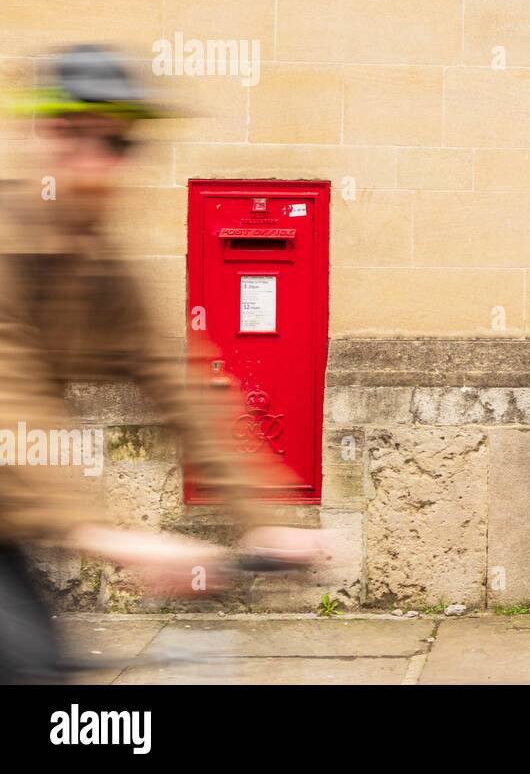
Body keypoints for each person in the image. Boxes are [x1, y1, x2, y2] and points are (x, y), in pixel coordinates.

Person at [0, 45, 329, 683]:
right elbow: (13, 402)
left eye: (122, 145)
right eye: (91, 140)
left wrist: (264, 523)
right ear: (52, 136)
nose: (106, 164)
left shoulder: (98, 263)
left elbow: (179, 385)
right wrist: (104, 536)